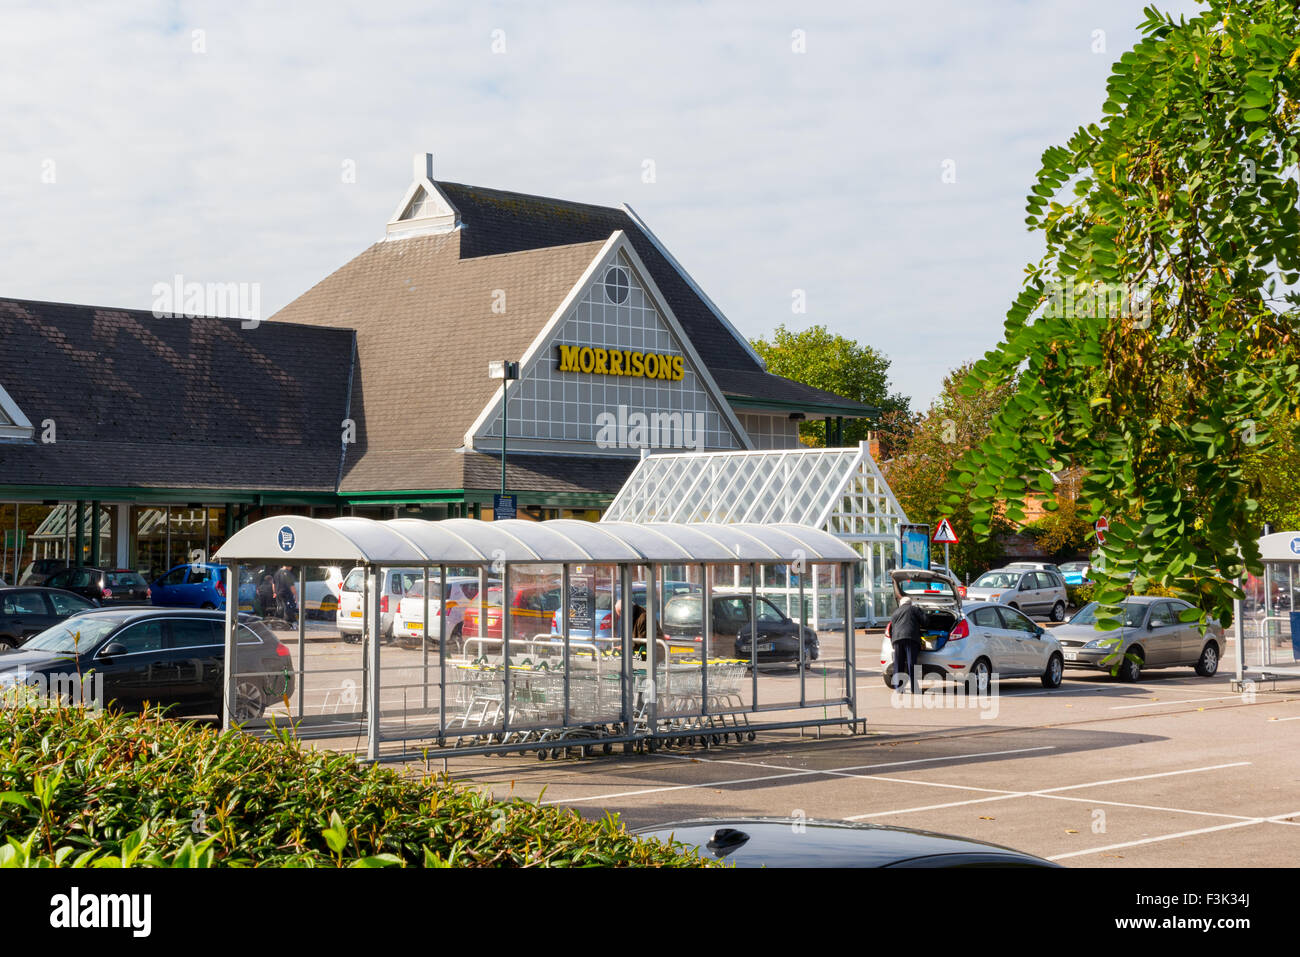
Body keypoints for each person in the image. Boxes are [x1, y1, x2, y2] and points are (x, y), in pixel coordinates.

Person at [889, 595, 925, 693]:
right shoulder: (914, 609)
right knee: (911, 664)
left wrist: (892, 642)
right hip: (910, 638)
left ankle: (898, 688)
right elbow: (925, 621)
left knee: (898, 664)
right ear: (910, 603)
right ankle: (914, 688)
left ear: (901, 604)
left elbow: (891, 629)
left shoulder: (895, 612)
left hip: (897, 640)